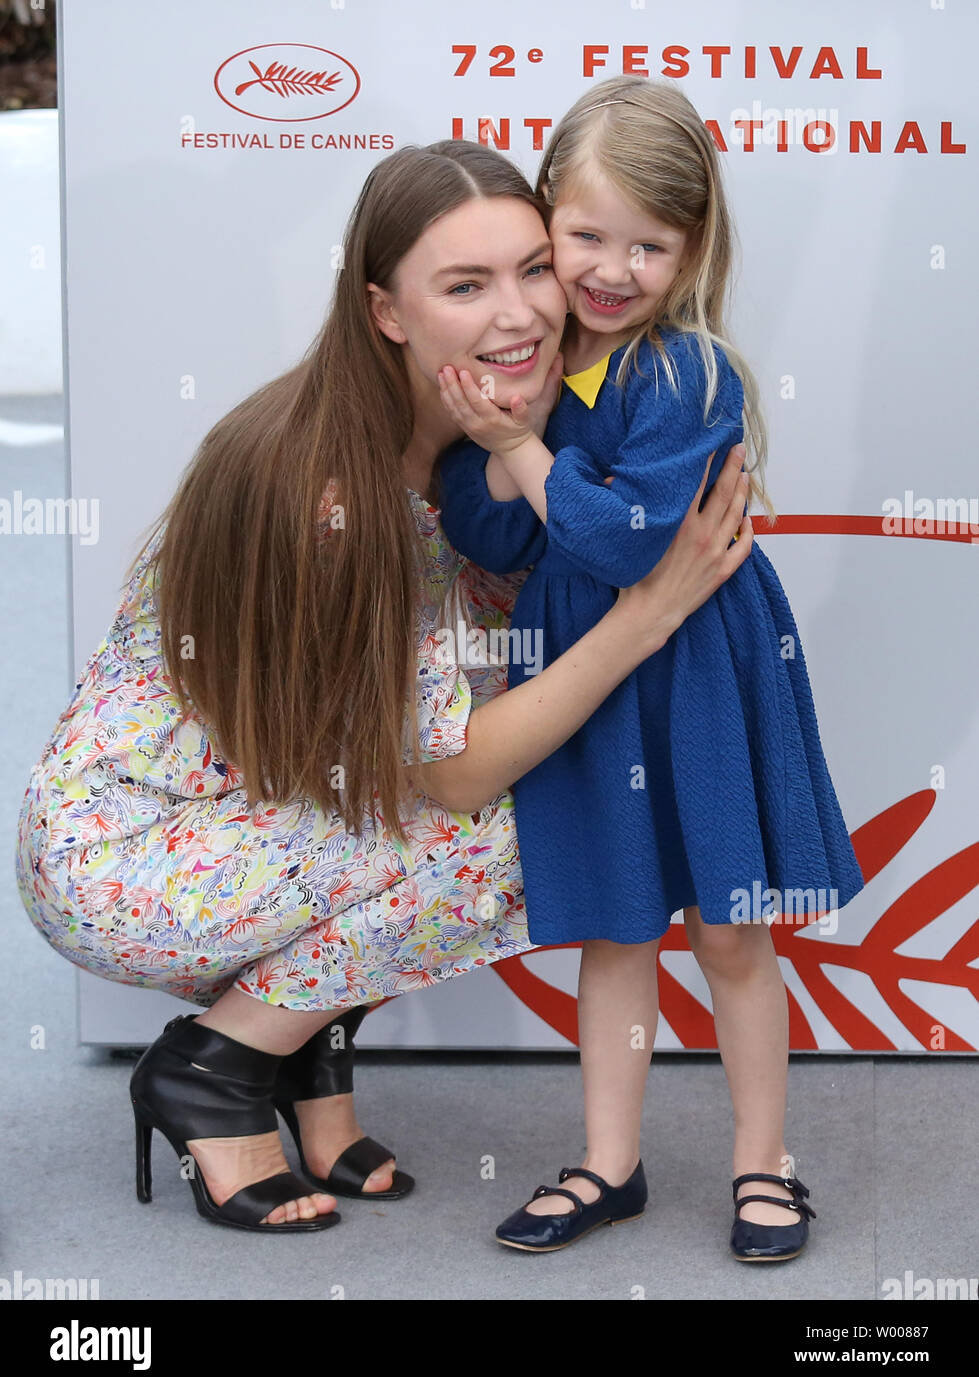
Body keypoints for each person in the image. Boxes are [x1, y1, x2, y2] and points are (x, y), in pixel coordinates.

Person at [15, 137, 752, 1235]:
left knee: (509, 772)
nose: (521, 314)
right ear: (387, 311)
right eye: (464, 286)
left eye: (532, 269)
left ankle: (309, 1064)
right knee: (536, 816)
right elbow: (451, 775)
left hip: (261, 814)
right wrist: (650, 614)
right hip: (132, 858)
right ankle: (214, 1070)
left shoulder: (491, 439)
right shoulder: (331, 486)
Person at [436, 79, 864, 1260]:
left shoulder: (688, 373)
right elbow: (503, 534)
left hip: (700, 669)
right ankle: (608, 1164)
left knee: (730, 930)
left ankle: (761, 1162)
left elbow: (628, 540)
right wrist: (488, 441)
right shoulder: (538, 359)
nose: (613, 269)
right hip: (590, 670)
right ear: (544, 223)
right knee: (616, 930)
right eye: (586, 236)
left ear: (692, 248)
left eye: (649, 244)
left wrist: (520, 445)